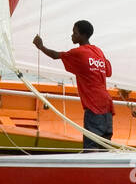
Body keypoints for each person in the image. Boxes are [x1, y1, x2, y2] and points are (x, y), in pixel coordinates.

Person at [33, 21, 113, 150]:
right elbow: (108, 71)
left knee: (91, 149)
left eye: (74, 33)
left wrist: (40, 46)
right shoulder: (98, 51)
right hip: (107, 106)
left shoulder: (79, 52)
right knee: (105, 148)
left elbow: (55, 56)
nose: (72, 35)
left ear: (83, 35)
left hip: (94, 107)